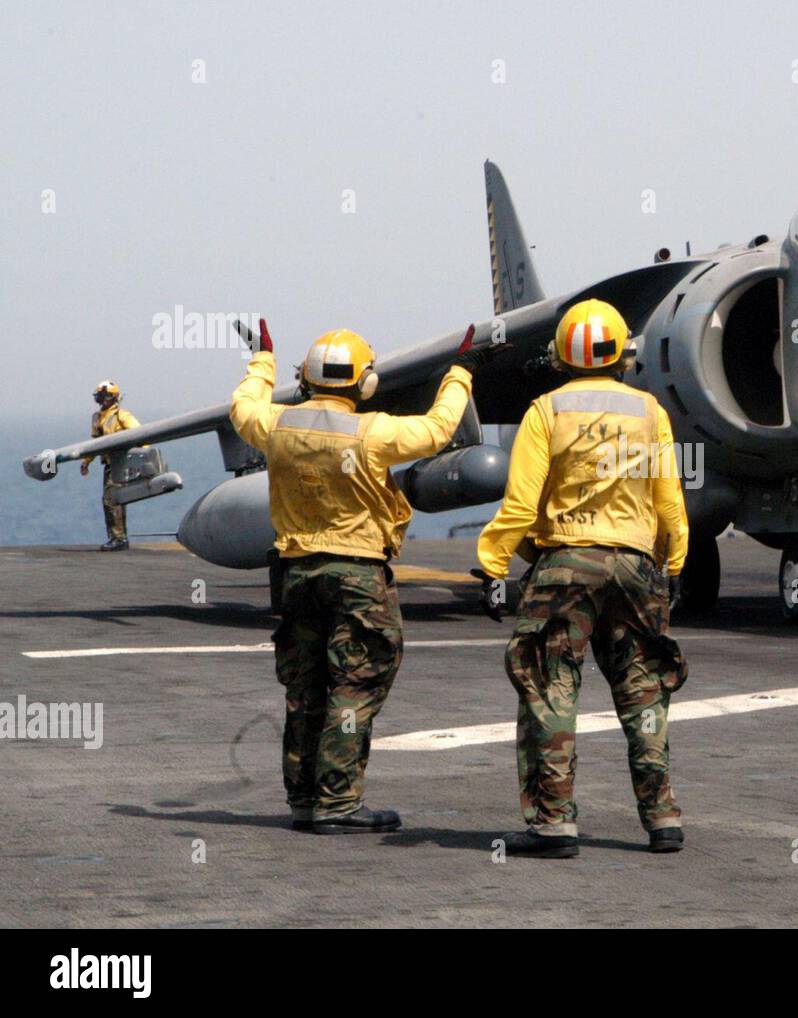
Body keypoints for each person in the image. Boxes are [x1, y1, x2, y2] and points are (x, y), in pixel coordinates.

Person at [230, 319, 503, 834]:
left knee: (304, 687)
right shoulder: (373, 431)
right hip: (357, 575)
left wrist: (263, 358)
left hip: (297, 572)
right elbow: (439, 428)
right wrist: (462, 372)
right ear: (364, 383)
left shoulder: (276, 426)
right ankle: (339, 801)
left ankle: (305, 800)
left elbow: (242, 407)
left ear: (307, 380)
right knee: (354, 683)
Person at [475, 298, 690, 858]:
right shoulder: (650, 412)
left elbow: (521, 504)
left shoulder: (545, 411)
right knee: (644, 691)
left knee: (550, 688)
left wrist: (495, 565)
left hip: (565, 565)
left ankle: (554, 825)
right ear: (624, 354)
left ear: (560, 357)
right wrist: (676, 564)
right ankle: (662, 818)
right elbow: (669, 503)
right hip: (637, 566)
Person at [80, 380, 141, 551]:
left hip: (121, 464)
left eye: (106, 396)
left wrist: (141, 458)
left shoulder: (122, 415)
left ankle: (119, 538)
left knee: (112, 500)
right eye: (100, 397)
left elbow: (140, 435)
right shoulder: (98, 418)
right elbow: (96, 443)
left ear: (114, 397)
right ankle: (118, 537)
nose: (103, 400)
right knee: (113, 500)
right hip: (109, 464)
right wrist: (86, 461)